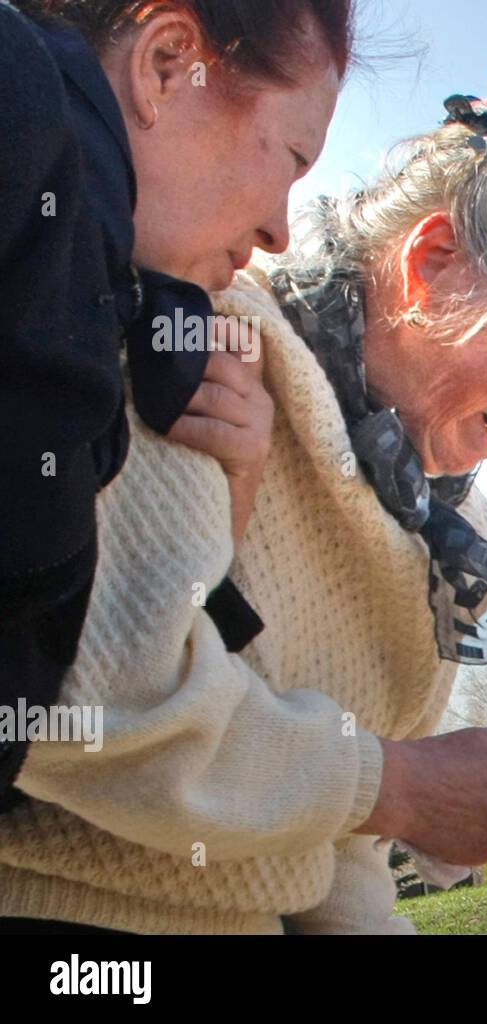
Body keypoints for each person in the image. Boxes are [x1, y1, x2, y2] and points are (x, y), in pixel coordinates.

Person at [0, 94, 487, 933]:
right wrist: (401, 784)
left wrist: (394, 793)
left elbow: (343, 853)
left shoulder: (453, 535)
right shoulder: (218, 350)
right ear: (433, 263)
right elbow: (89, 708)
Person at [0, 0, 355, 815]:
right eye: (295, 157)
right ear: (165, 65)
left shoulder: (94, 262)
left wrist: (220, 504)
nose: (280, 231)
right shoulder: (21, 110)